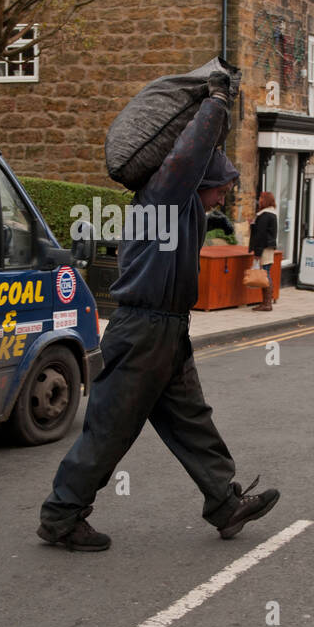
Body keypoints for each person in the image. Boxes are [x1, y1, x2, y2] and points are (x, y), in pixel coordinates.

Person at [37, 71, 280, 551]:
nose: (224, 194)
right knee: (110, 429)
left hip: (166, 331)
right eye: (221, 185)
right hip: (143, 330)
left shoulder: (187, 207)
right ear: (200, 182)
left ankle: (224, 502)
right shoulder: (166, 198)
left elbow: (195, 163)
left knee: (191, 419)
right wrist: (212, 104)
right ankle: (61, 516)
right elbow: (186, 158)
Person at [248, 191, 278, 311]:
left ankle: (267, 304)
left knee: (265, 275)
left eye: (261, 198)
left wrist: (257, 254)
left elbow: (261, 236)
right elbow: (264, 232)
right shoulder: (271, 214)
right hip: (268, 248)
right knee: (266, 274)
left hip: (264, 249)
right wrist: (253, 225)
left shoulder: (265, 215)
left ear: (265, 200)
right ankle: (266, 302)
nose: (259, 200)